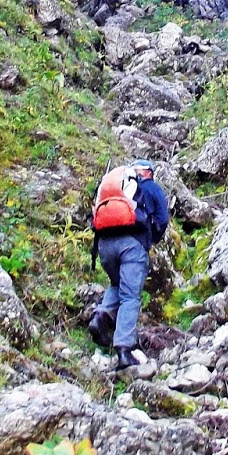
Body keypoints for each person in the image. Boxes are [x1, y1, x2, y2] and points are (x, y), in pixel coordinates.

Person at [88, 158, 170, 370]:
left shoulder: (115, 188)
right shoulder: (150, 187)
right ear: (149, 172)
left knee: (117, 284)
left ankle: (101, 316)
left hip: (104, 243)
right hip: (132, 244)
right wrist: (149, 239)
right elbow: (161, 219)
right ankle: (124, 349)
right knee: (130, 296)